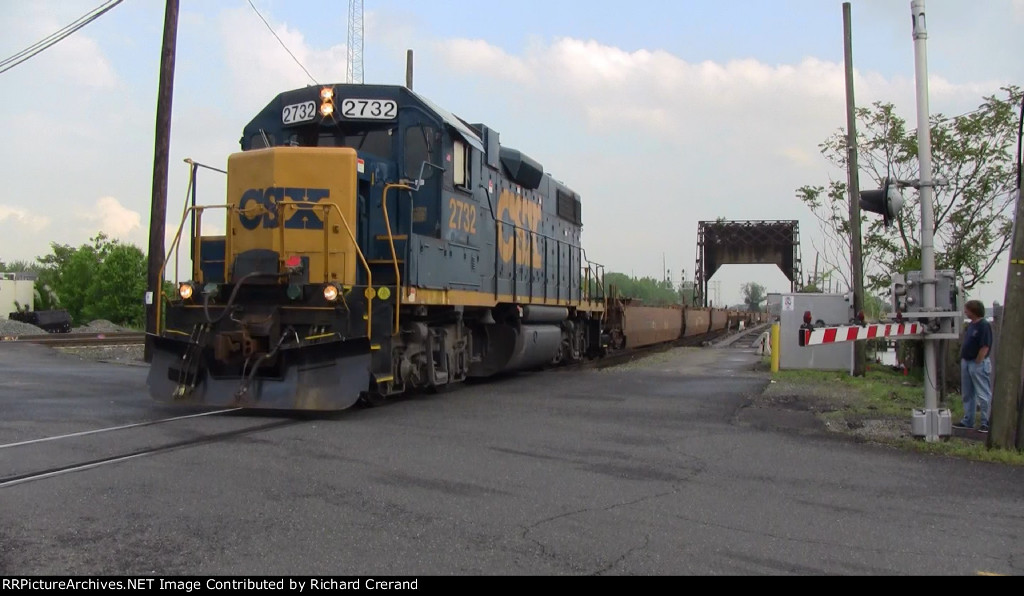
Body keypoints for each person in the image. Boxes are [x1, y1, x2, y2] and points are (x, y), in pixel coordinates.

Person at [954, 300, 993, 433]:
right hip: (966, 361)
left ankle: (985, 422)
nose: (965, 312)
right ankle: (968, 420)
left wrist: (978, 361)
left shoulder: (984, 325)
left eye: (967, 309)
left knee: (983, 393)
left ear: (974, 311)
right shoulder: (971, 325)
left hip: (977, 363)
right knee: (968, 393)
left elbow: (985, 346)